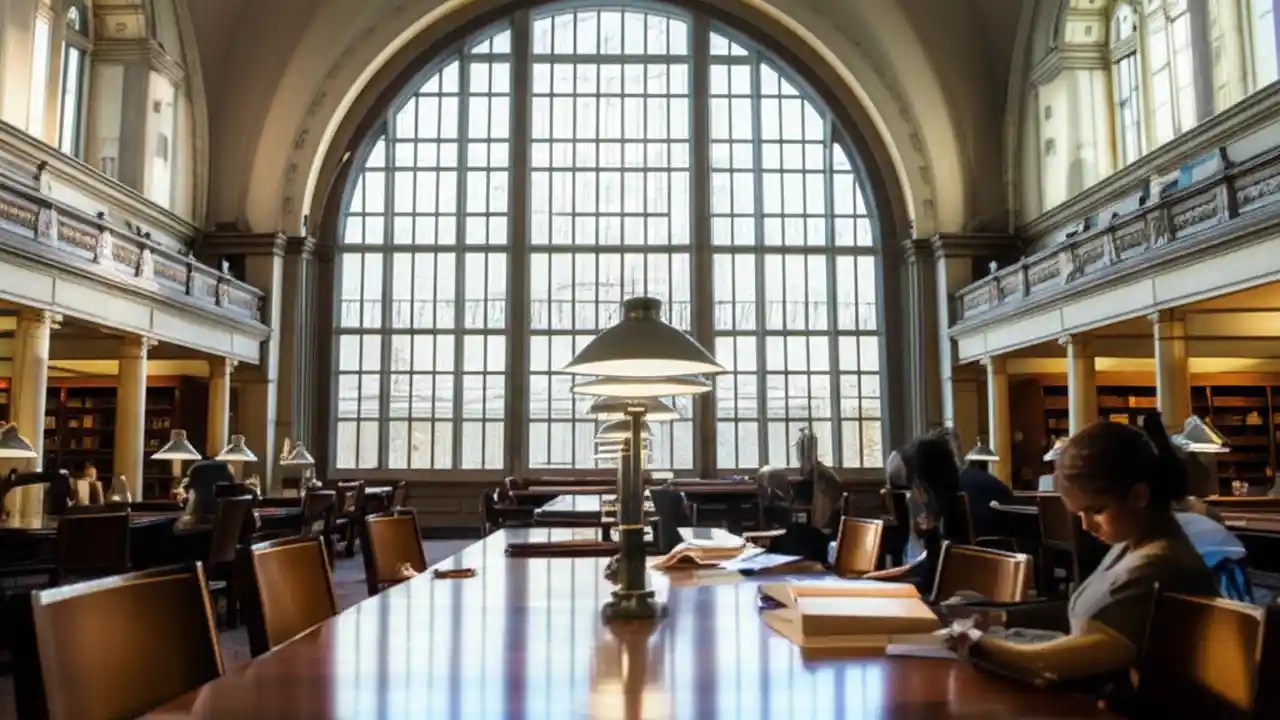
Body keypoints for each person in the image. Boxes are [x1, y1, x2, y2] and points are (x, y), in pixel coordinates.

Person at [956, 416, 1217, 688]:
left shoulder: (1161, 567)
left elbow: (1055, 661)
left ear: (1139, 496)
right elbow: (1081, 616)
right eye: (1079, 513)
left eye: (1096, 510)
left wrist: (976, 644)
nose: (1085, 525)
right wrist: (992, 615)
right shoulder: (1131, 547)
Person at [863, 430, 961, 594]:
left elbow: (930, 578)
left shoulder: (946, 518)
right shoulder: (949, 505)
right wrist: (872, 578)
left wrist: (875, 581)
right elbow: (922, 568)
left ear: (923, 484)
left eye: (912, 485)